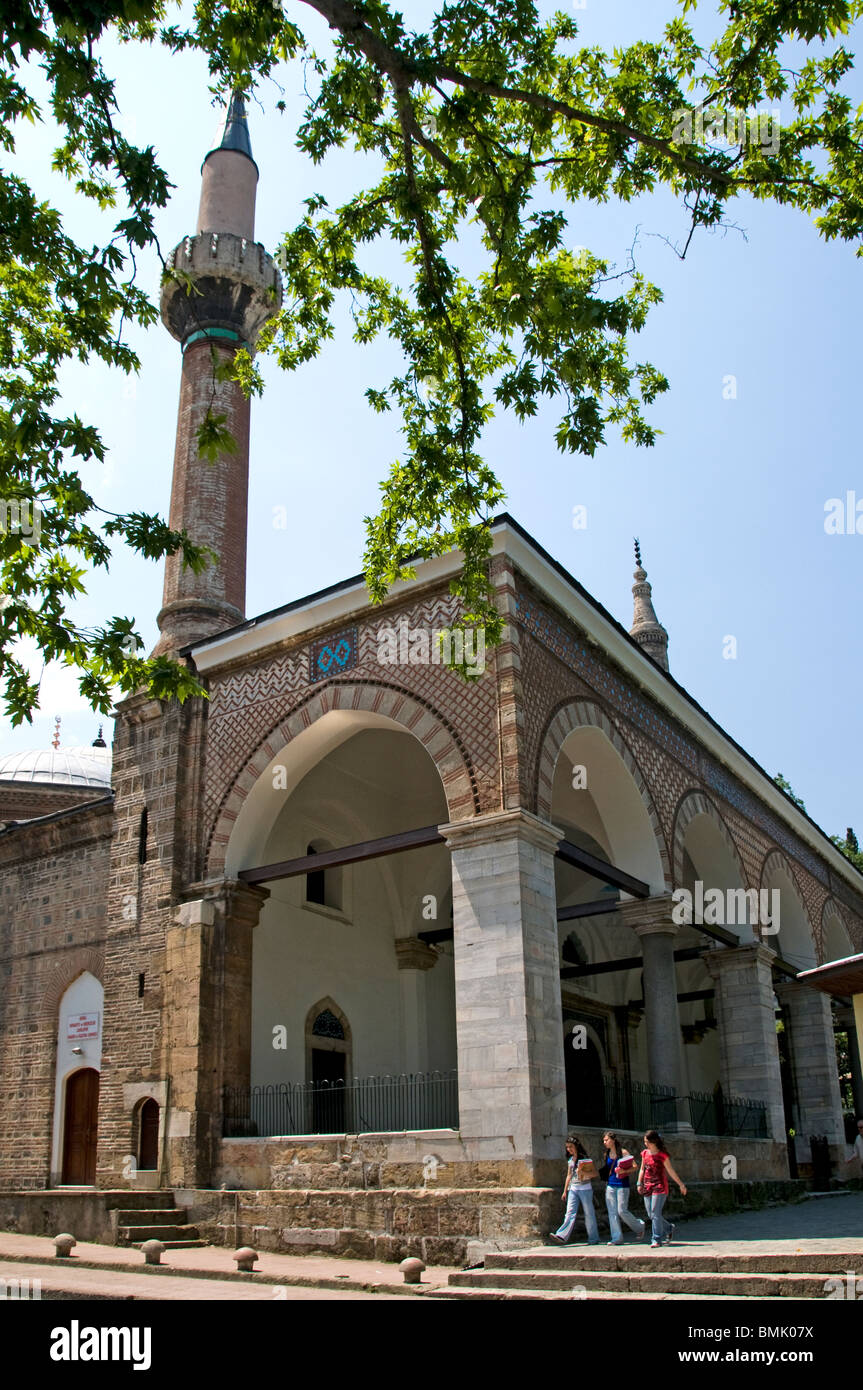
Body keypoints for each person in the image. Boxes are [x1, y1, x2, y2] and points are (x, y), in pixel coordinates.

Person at [637, 1129, 687, 1248]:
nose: (645, 1144)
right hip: (647, 1186)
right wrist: (639, 1183)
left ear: (653, 1141)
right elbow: (642, 1169)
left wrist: (681, 1184)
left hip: (660, 1186)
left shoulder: (662, 1155)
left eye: (647, 1141)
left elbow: (670, 1171)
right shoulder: (644, 1153)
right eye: (644, 1142)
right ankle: (669, 1228)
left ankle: (656, 1239)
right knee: (651, 1214)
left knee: (655, 1213)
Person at [550, 1135, 600, 1245]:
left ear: (576, 1146)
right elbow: (568, 1176)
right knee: (569, 1212)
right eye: (567, 1147)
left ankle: (593, 1238)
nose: (569, 1149)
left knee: (589, 1213)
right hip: (573, 1188)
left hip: (585, 1189)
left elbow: (595, 1174)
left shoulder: (585, 1160)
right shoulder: (570, 1160)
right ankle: (562, 1235)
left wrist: (583, 1173)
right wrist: (565, 1191)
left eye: (571, 1147)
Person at [601, 1131, 647, 1245]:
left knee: (622, 1211)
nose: (605, 1142)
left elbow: (635, 1166)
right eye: (604, 1140)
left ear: (613, 1140)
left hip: (622, 1185)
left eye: (606, 1140)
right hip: (610, 1185)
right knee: (612, 1212)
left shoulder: (623, 1152)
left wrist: (624, 1171)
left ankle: (639, 1227)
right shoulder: (606, 1153)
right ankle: (617, 1238)